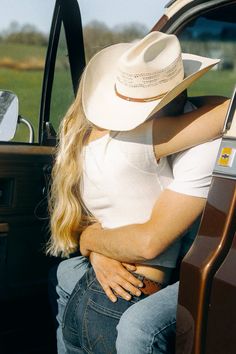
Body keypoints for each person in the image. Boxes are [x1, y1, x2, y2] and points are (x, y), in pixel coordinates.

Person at [47, 31, 229, 354]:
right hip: (134, 291)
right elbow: (226, 113)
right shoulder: (148, 138)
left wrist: (92, 245)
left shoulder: (95, 140)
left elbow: (95, 225)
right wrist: (94, 247)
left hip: (93, 299)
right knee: (135, 325)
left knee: (64, 274)